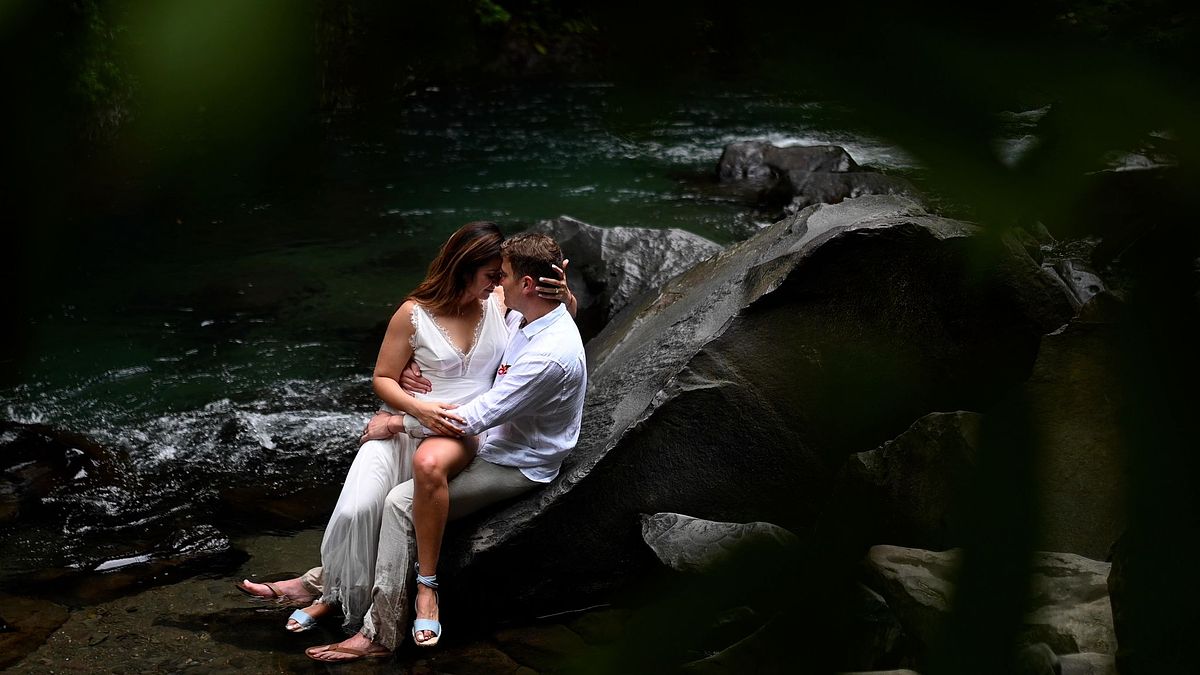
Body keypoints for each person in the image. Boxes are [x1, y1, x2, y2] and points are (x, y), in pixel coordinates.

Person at [236, 222, 574, 634]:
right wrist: (412, 398)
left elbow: (549, 323)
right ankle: (326, 587)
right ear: (464, 269)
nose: (497, 282)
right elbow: (382, 377)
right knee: (357, 509)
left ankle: (329, 596)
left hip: (458, 427)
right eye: (491, 275)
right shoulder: (414, 313)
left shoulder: (501, 300)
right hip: (412, 418)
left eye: (500, 275)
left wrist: (565, 294)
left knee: (395, 506)